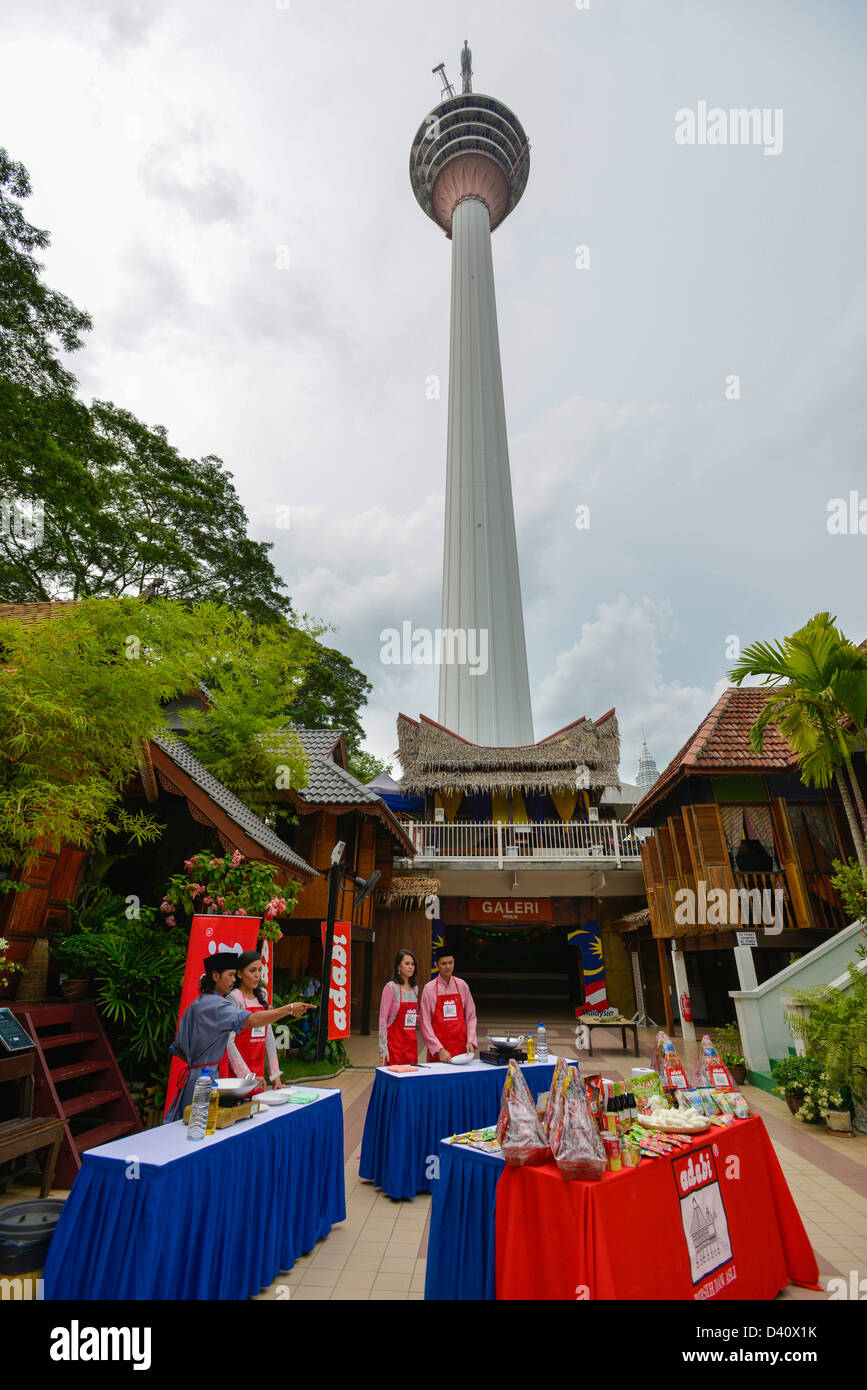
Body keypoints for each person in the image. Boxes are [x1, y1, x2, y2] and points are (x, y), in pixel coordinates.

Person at [165, 952, 313, 1123]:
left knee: (190, 1127)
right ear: (215, 976)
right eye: (230, 975)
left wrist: (197, 1065)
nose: (233, 980)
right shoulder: (219, 1004)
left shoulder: (196, 1005)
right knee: (203, 1130)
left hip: (195, 1079)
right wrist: (289, 1008)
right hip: (210, 1083)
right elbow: (251, 1021)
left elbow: (177, 1049)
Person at [223, 949, 283, 1093]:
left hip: (259, 1070)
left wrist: (275, 1076)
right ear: (239, 974)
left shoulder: (262, 995)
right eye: (252, 970)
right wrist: (247, 1077)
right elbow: (228, 1043)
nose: (257, 975)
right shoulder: (234, 998)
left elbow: (268, 1036)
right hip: (239, 1075)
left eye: (259, 970)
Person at [419, 947, 478, 1063]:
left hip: (462, 1049)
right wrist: (438, 1049)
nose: (448, 967)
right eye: (444, 963)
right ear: (436, 965)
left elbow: (471, 1016)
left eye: (450, 963)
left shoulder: (462, 985)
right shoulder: (429, 989)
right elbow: (424, 1022)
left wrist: (470, 1040)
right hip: (439, 1052)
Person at [378, 948, 420, 1065]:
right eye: (407, 964)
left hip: (411, 1046)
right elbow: (383, 1019)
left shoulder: (415, 988)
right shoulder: (391, 987)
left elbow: (411, 1017)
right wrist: (383, 1049)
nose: (411, 967)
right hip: (394, 1046)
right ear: (398, 967)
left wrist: (425, 1016)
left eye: (413, 964)